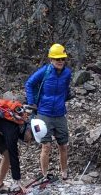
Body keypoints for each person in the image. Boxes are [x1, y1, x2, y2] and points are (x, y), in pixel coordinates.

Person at [25, 43, 73, 180]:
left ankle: (64, 173)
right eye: (57, 59)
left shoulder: (67, 73)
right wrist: (31, 102)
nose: (60, 62)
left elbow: (66, 89)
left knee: (63, 145)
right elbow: (29, 83)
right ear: (51, 59)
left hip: (59, 114)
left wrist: (68, 96)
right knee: (46, 146)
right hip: (43, 113)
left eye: (62, 59)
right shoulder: (45, 71)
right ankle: (44, 175)